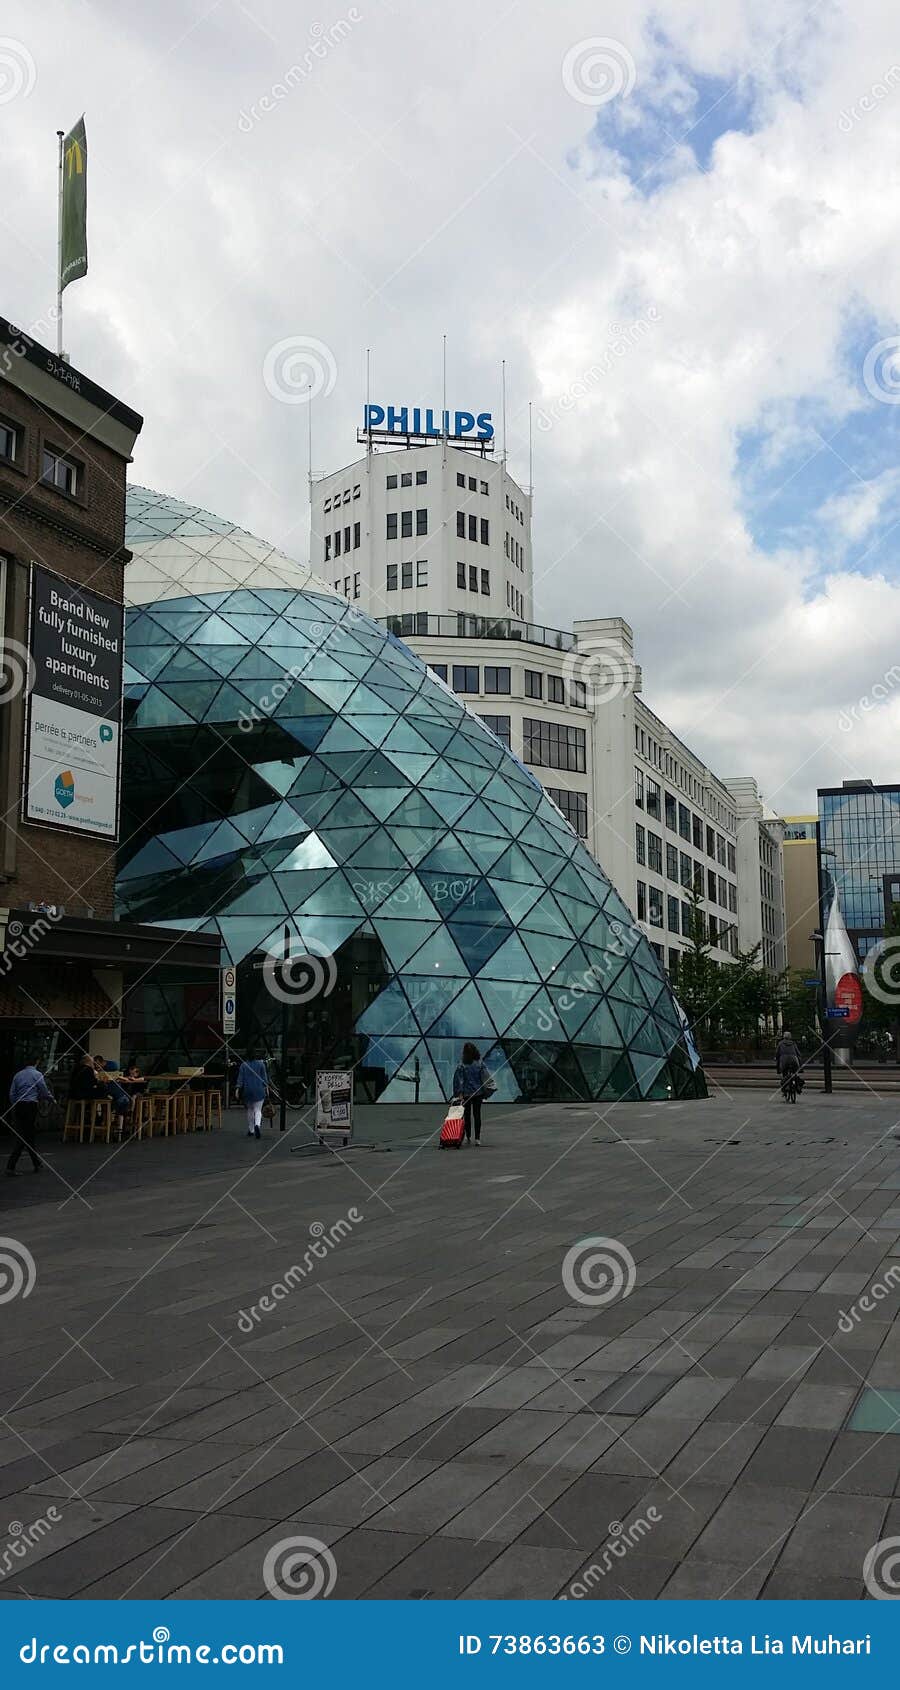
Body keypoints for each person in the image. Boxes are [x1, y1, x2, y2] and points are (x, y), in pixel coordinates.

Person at [6, 1057, 53, 1175]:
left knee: (28, 1135)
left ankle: (36, 1163)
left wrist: (15, 1105)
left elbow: (12, 1093)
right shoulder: (37, 1075)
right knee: (25, 1136)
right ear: (37, 1062)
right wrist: (50, 1098)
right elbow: (43, 1091)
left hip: (19, 1106)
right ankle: (10, 1166)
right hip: (30, 1106)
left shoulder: (17, 1075)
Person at [452, 1042, 492, 1146]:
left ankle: (468, 1137)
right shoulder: (480, 1063)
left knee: (467, 1116)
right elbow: (485, 1077)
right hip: (478, 1093)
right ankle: (477, 1138)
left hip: (466, 1094)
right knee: (477, 1115)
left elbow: (460, 1080)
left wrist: (459, 1093)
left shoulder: (462, 1064)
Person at [235, 1047, 269, 1139]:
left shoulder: (243, 1065)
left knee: (250, 1109)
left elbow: (240, 1079)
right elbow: (265, 1079)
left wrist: (237, 1089)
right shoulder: (261, 1064)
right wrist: (266, 1088)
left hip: (247, 1090)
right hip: (259, 1090)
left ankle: (251, 1130)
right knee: (258, 1110)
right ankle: (257, 1125)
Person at [775, 1029, 802, 1094]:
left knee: (784, 1073)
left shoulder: (780, 1043)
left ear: (784, 1036)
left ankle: (785, 1086)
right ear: (790, 1037)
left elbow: (777, 1053)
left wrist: (776, 1058)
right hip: (793, 1059)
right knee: (795, 1072)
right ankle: (797, 1085)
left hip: (784, 1060)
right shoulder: (793, 1043)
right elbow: (798, 1053)